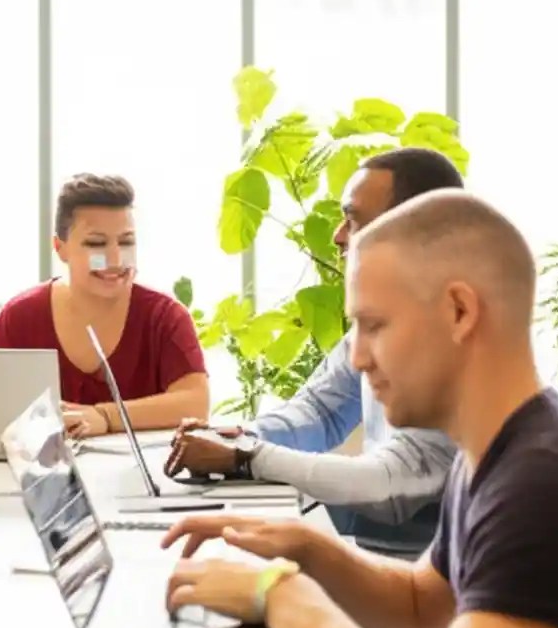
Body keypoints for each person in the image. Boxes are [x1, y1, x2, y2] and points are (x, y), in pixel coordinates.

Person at [160, 190, 558, 628]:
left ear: (459, 312)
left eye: (374, 325)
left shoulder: (545, 484)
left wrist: (281, 594)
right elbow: (424, 607)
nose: (356, 357)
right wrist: (304, 547)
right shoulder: (496, 451)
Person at [164, 147, 463, 555]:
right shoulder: (380, 321)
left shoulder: (451, 344)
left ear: (414, 235)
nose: (338, 236)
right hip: (383, 560)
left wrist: (246, 457)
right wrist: (239, 436)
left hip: (431, 580)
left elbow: (391, 483)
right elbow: (320, 411)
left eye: (354, 220)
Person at [0, 173, 208, 438]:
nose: (114, 259)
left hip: (142, 478)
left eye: (126, 242)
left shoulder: (165, 317)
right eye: (96, 244)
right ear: (60, 248)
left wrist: (105, 416)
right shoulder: (20, 316)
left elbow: (195, 404)